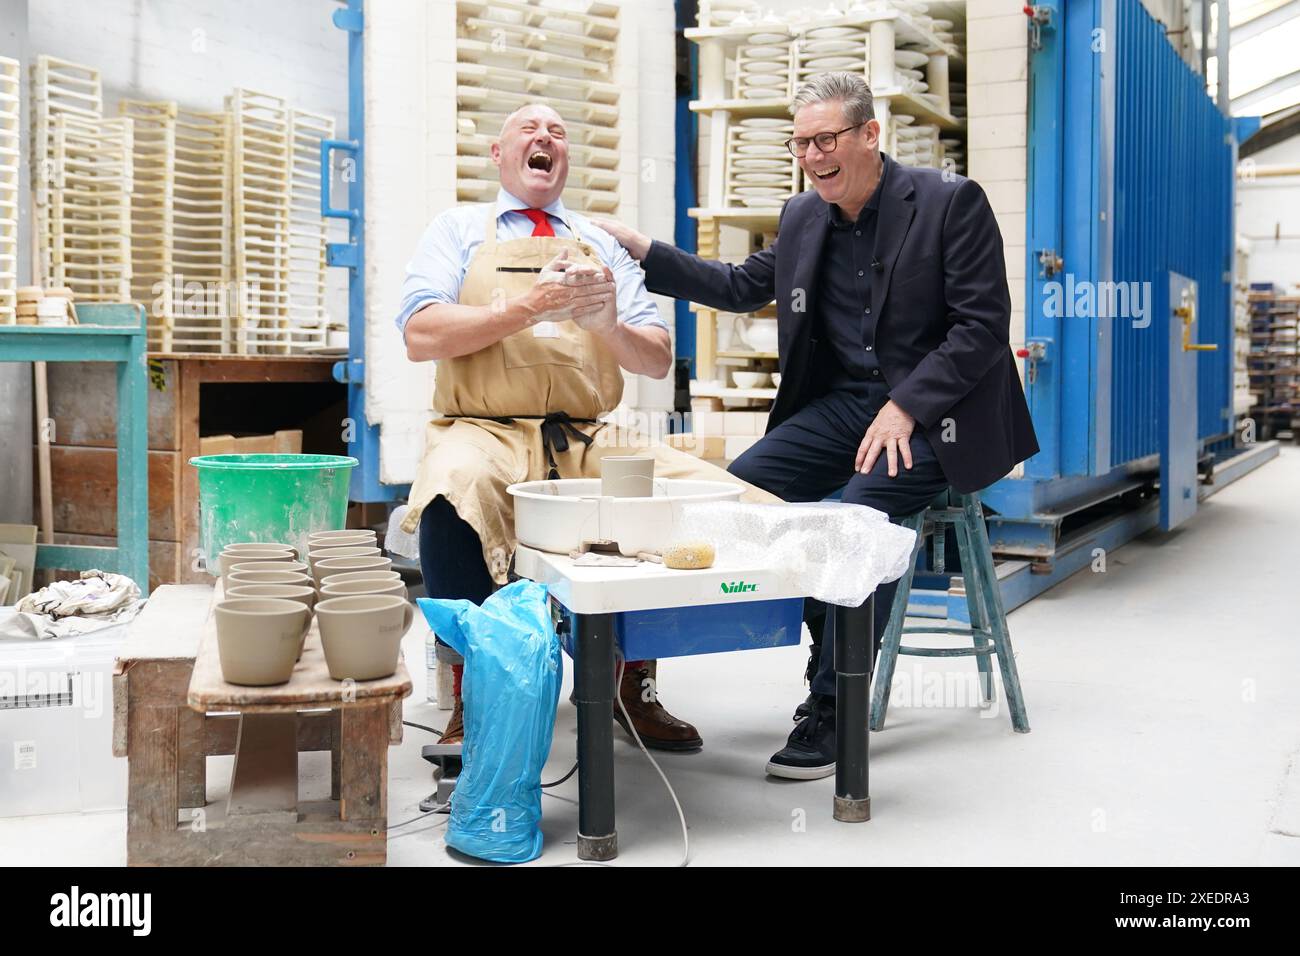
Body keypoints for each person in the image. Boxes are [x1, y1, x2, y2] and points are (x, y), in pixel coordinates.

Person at [595, 72, 1039, 780]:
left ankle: (836, 701)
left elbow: (982, 328)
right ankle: (828, 639)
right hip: (842, 407)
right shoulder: (804, 215)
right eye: (800, 143)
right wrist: (643, 249)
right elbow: (739, 287)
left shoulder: (950, 203)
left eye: (825, 139)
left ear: (870, 134)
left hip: (938, 413)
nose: (811, 155)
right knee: (739, 496)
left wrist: (909, 405)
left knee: (858, 520)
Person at [395, 103, 778, 753]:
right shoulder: (456, 229)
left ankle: (634, 687)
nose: (545, 139)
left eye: (558, 133)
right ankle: (475, 697)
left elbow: (655, 355)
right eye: (528, 130)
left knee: (688, 492)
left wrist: (608, 326)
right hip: (481, 426)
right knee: (452, 484)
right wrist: (525, 307)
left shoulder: (599, 244)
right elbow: (420, 333)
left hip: (583, 432)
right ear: (498, 154)